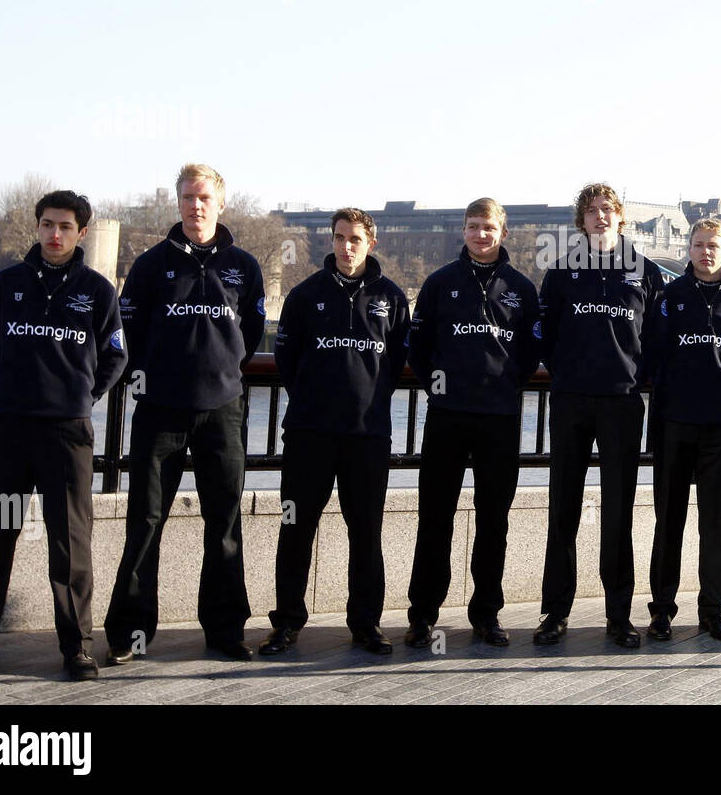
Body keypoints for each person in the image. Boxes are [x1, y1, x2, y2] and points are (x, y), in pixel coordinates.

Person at [0, 191, 127, 685]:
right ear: (37, 226)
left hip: (66, 436)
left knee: (69, 546)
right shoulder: (8, 283)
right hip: (7, 431)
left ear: (81, 233)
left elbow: (115, 357)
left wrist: (76, 396)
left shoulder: (98, 290)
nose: (54, 234)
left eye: (65, 227)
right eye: (47, 224)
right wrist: (13, 388)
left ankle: (76, 649)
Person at [104, 164, 265, 663]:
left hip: (222, 410)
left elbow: (252, 330)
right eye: (188, 197)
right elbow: (127, 330)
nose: (196, 206)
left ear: (220, 203)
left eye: (204, 197)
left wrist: (221, 373)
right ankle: (131, 632)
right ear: (178, 203)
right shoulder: (152, 264)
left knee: (225, 521)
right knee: (146, 520)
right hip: (160, 411)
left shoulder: (244, 265)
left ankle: (224, 630)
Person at [258, 208, 410, 657]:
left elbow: (398, 363)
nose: (346, 247)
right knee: (295, 528)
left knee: (366, 533)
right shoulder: (305, 295)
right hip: (309, 434)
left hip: (367, 437)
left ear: (371, 243)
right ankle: (286, 623)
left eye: (355, 239)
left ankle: (365, 624)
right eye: (340, 237)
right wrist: (313, 401)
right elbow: (286, 360)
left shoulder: (393, 298)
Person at [533, 183, 665, 648]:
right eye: (591, 211)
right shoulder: (561, 271)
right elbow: (543, 336)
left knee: (618, 514)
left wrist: (632, 376)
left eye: (607, 209)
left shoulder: (646, 273)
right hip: (570, 400)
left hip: (622, 404)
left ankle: (619, 616)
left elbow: (657, 339)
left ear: (620, 217)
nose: (600, 217)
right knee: (562, 510)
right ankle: (555, 613)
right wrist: (566, 372)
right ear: (581, 221)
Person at [403, 198, 539, 648]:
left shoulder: (522, 288)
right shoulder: (440, 283)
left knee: (493, 521)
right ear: (463, 230)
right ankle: (422, 615)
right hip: (447, 417)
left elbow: (529, 354)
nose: (481, 235)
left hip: (499, 419)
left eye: (489, 228)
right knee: (434, 519)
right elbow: (417, 347)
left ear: (503, 232)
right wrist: (438, 386)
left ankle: (486, 614)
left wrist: (504, 386)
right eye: (473, 226)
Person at [645, 219, 721, 643]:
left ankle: (712, 612)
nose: (705, 252)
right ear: (688, 249)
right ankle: (662, 612)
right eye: (698, 245)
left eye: (713, 245)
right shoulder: (668, 298)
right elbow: (652, 353)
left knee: (714, 525)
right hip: (674, 422)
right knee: (668, 522)